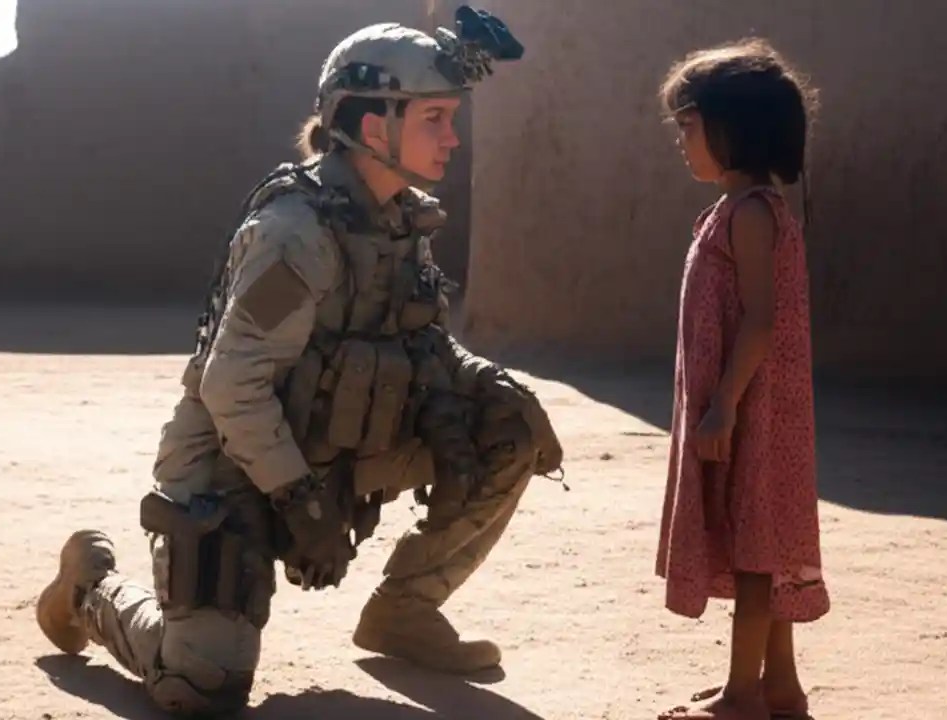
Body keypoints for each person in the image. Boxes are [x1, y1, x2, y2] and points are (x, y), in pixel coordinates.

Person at [34, 7, 563, 717]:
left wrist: (482, 382)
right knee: (200, 688)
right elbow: (233, 387)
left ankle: (404, 612)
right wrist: (300, 500)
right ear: (375, 127)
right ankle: (89, 586)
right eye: (434, 118)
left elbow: (424, 343)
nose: (452, 137)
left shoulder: (401, 219)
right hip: (235, 468)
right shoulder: (296, 232)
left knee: (509, 422)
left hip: (336, 451)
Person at [653, 39, 830, 720]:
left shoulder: (753, 213)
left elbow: (760, 319)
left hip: (757, 411)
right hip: (743, 404)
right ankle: (778, 687)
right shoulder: (729, 212)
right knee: (761, 543)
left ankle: (740, 697)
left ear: (736, 126)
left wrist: (724, 404)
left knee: (759, 554)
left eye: (688, 123)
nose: (681, 139)